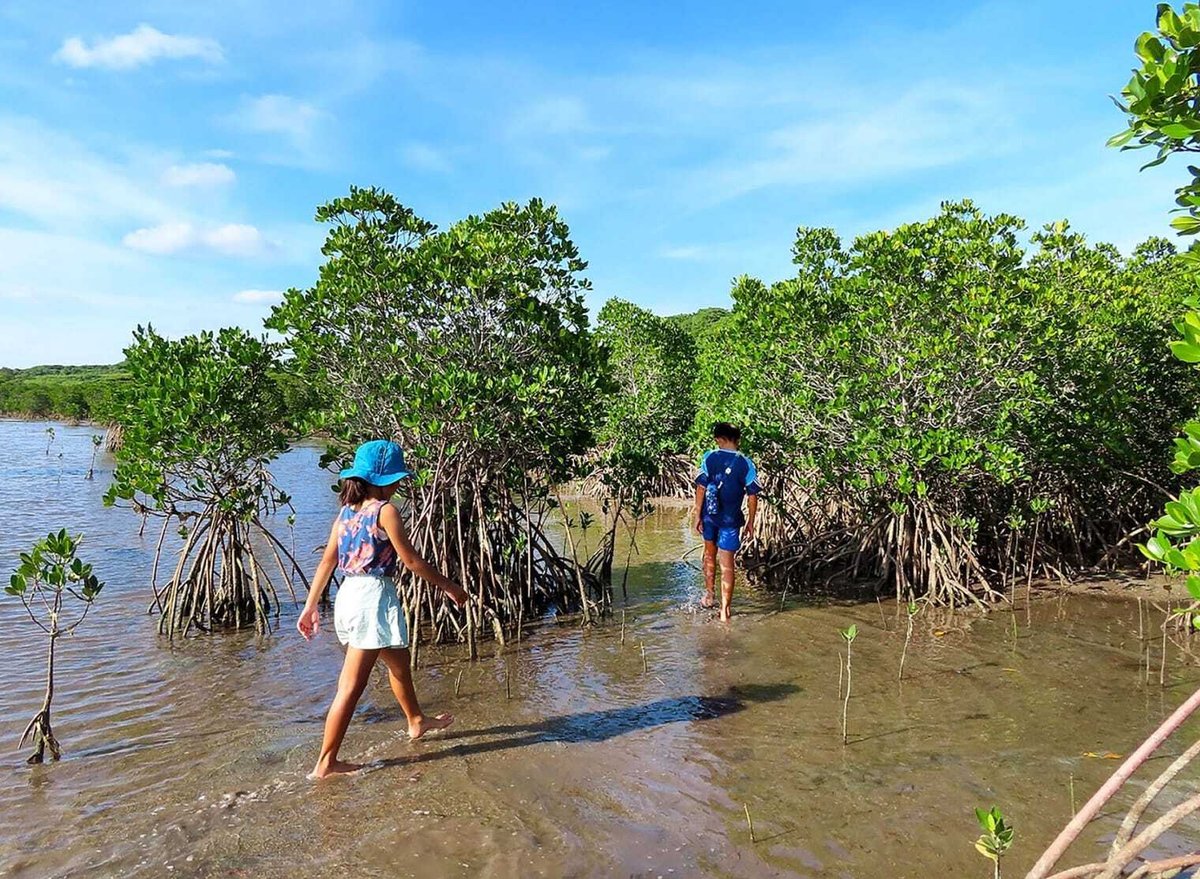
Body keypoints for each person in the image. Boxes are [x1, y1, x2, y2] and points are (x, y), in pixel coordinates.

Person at [297, 439, 469, 779]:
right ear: (380, 479)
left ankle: (416, 721)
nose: (398, 483)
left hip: (350, 594)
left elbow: (328, 561)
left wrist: (310, 605)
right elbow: (411, 561)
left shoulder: (346, 513)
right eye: (394, 478)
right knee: (350, 687)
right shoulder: (385, 510)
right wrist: (451, 588)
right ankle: (326, 763)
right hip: (371, 599)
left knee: (399, 663)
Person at [693, 422, 762, 621]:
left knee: (709, 556)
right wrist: (750, 521)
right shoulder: (746, 463)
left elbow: (701, 487)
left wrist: (697, 514)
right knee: (727, 565)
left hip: (709, 517)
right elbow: (752, 496)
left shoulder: (709, 457)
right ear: (737, 440)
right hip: (731, 521)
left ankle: (709, 594)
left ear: (719, 439)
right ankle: (725, 611)